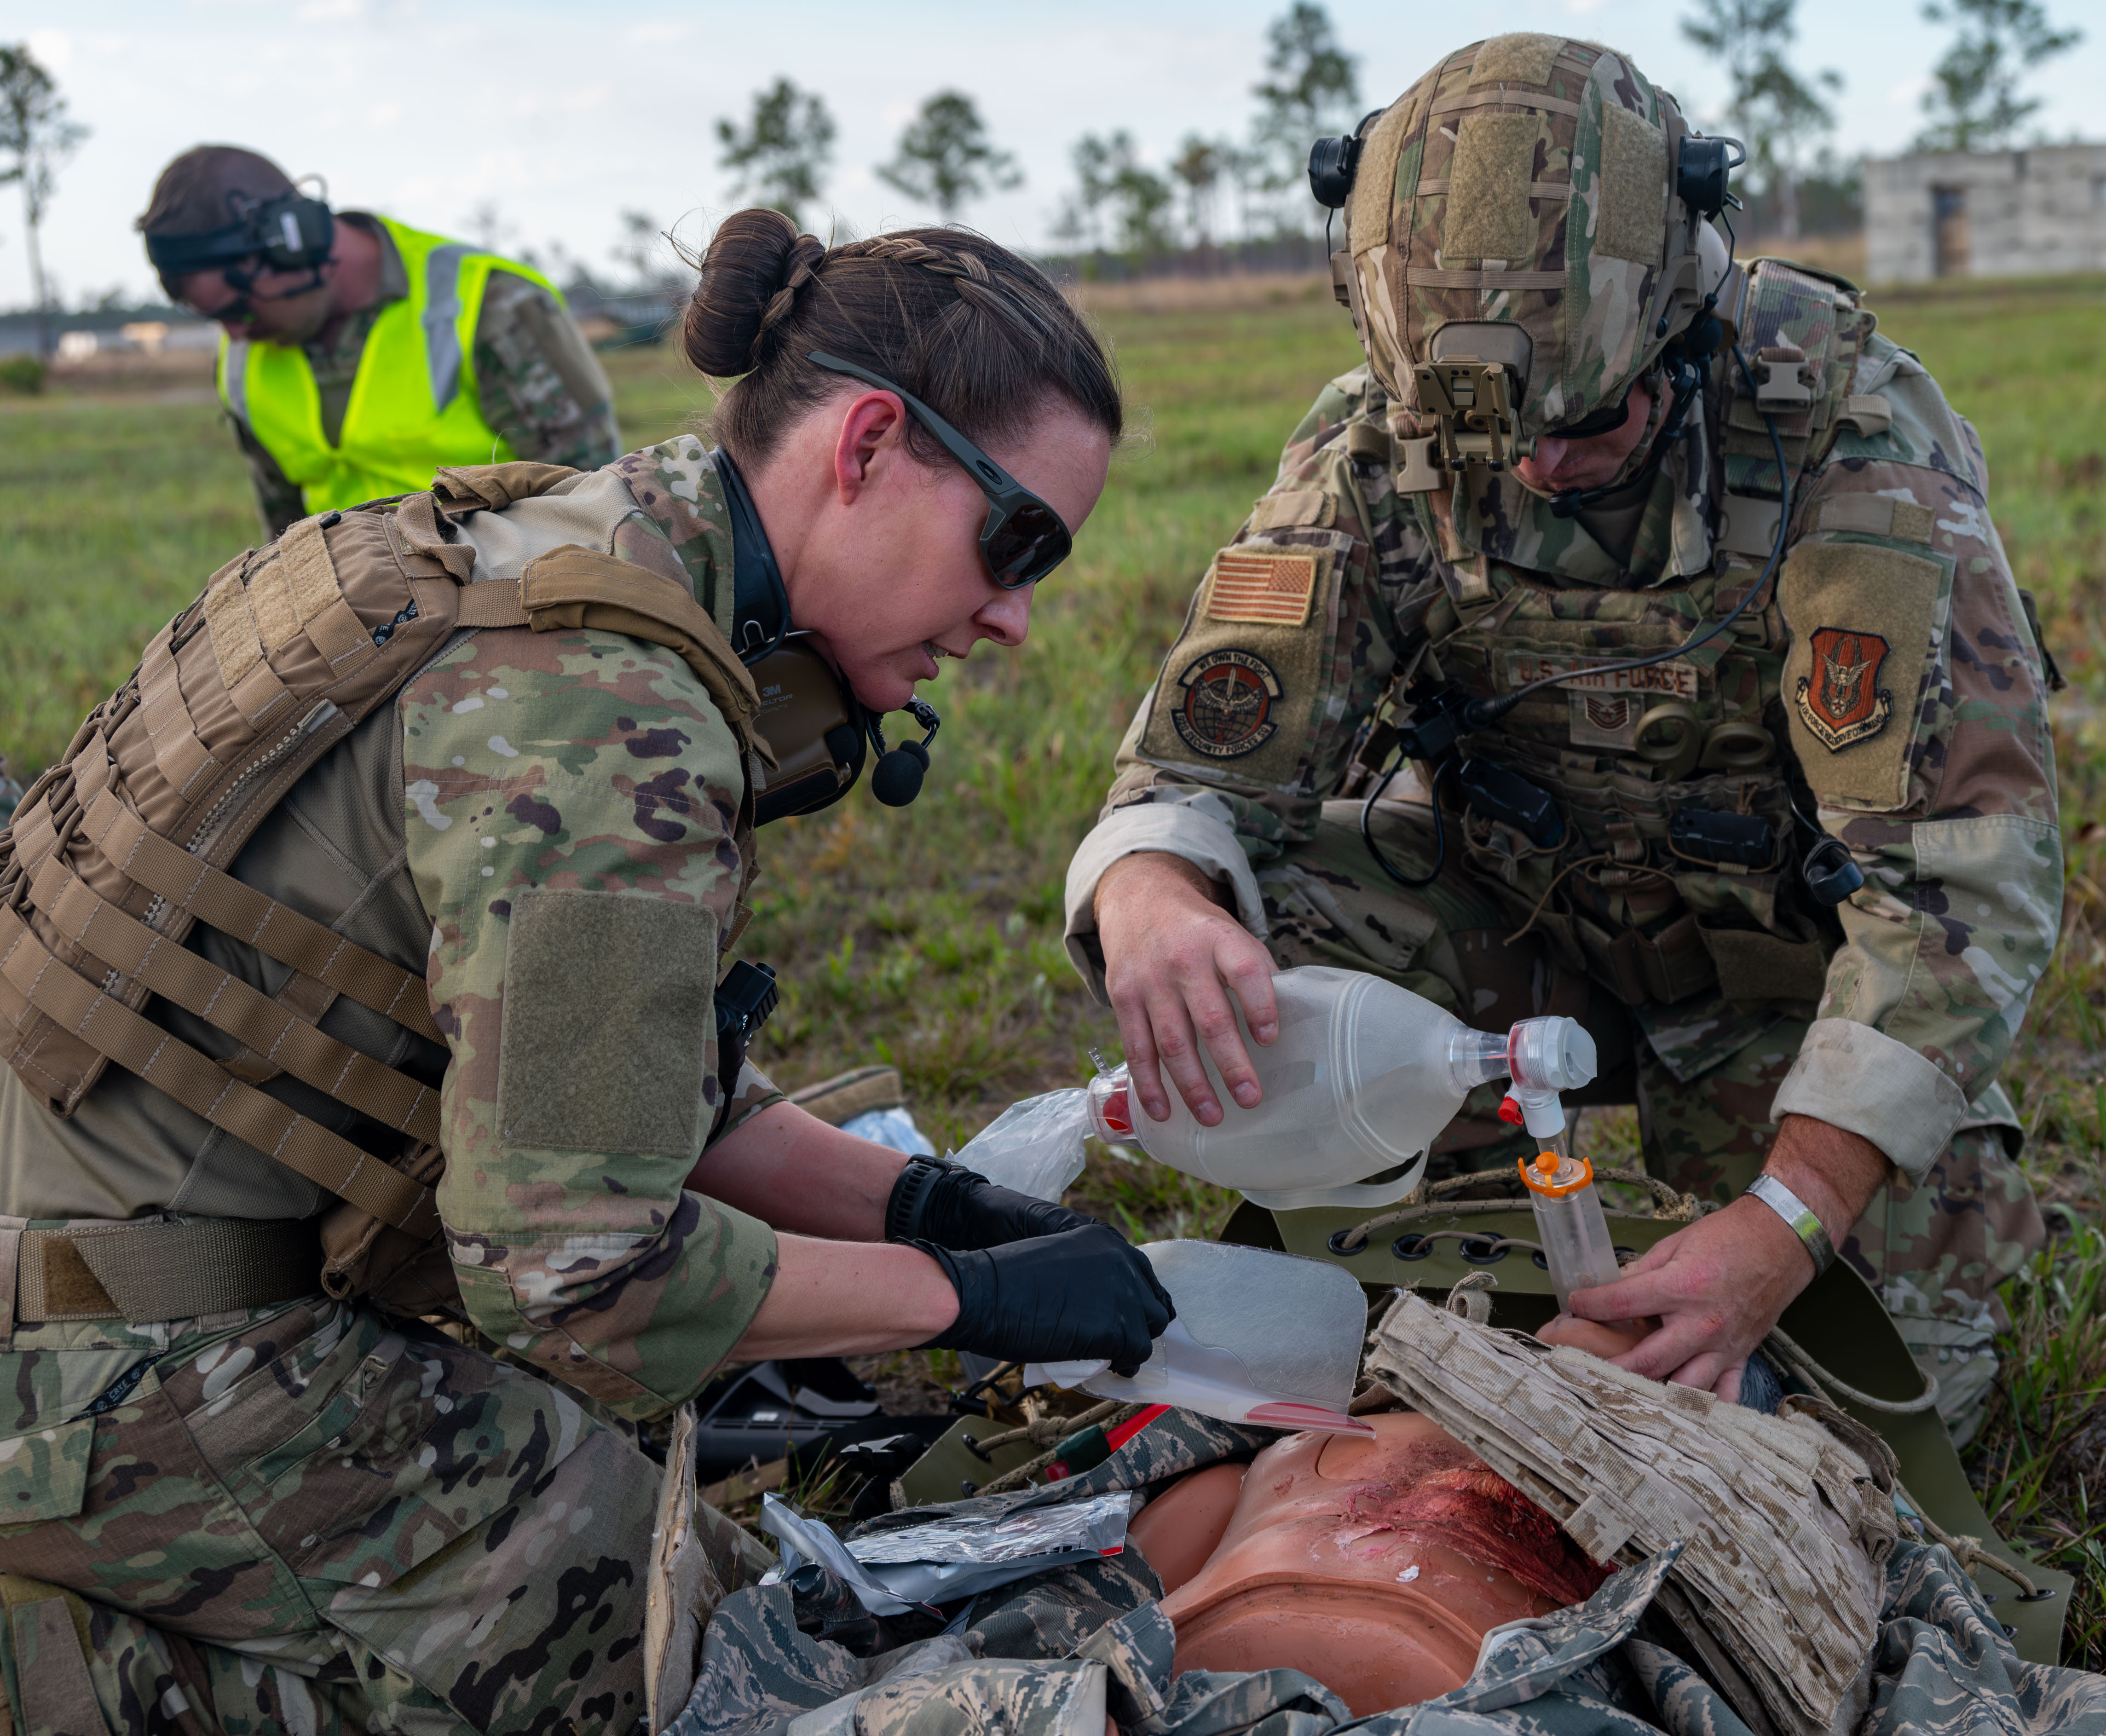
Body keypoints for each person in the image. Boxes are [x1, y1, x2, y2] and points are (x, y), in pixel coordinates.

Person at [0, 209, 1171, 1733]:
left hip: (88, 1267)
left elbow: (601, 1080)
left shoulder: (541, 547)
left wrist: (922, 1205)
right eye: (1016, 545)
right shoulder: (604, 713)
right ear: (870, 443)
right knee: (703, 1664)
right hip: (130, 1367)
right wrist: (960, 1299)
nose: (1012, 617)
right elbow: (580, 1279)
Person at [1071, 33, 2054, 1443]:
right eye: (1487, 434)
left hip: (1785, 987)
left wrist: (1787, 1218)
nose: (1534, 465)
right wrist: (1153, 891)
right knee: (1248, 902)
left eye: (1588, 419)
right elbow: (1201, 765)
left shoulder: (1849, 450)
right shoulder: (1380, 443)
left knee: (1882, 1422)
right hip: (1510, 948)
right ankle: (1423, 1218)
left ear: (1683, 321)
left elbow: (1956, 891)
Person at [138, 145, 622, 539]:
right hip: (344, 611)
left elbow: (589, 509)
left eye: (239, 309)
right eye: (216, 318)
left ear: (295, 241)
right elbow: (282, 534)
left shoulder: (491, 304)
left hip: (504, 600)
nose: (235, 334)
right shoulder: (241, 357)